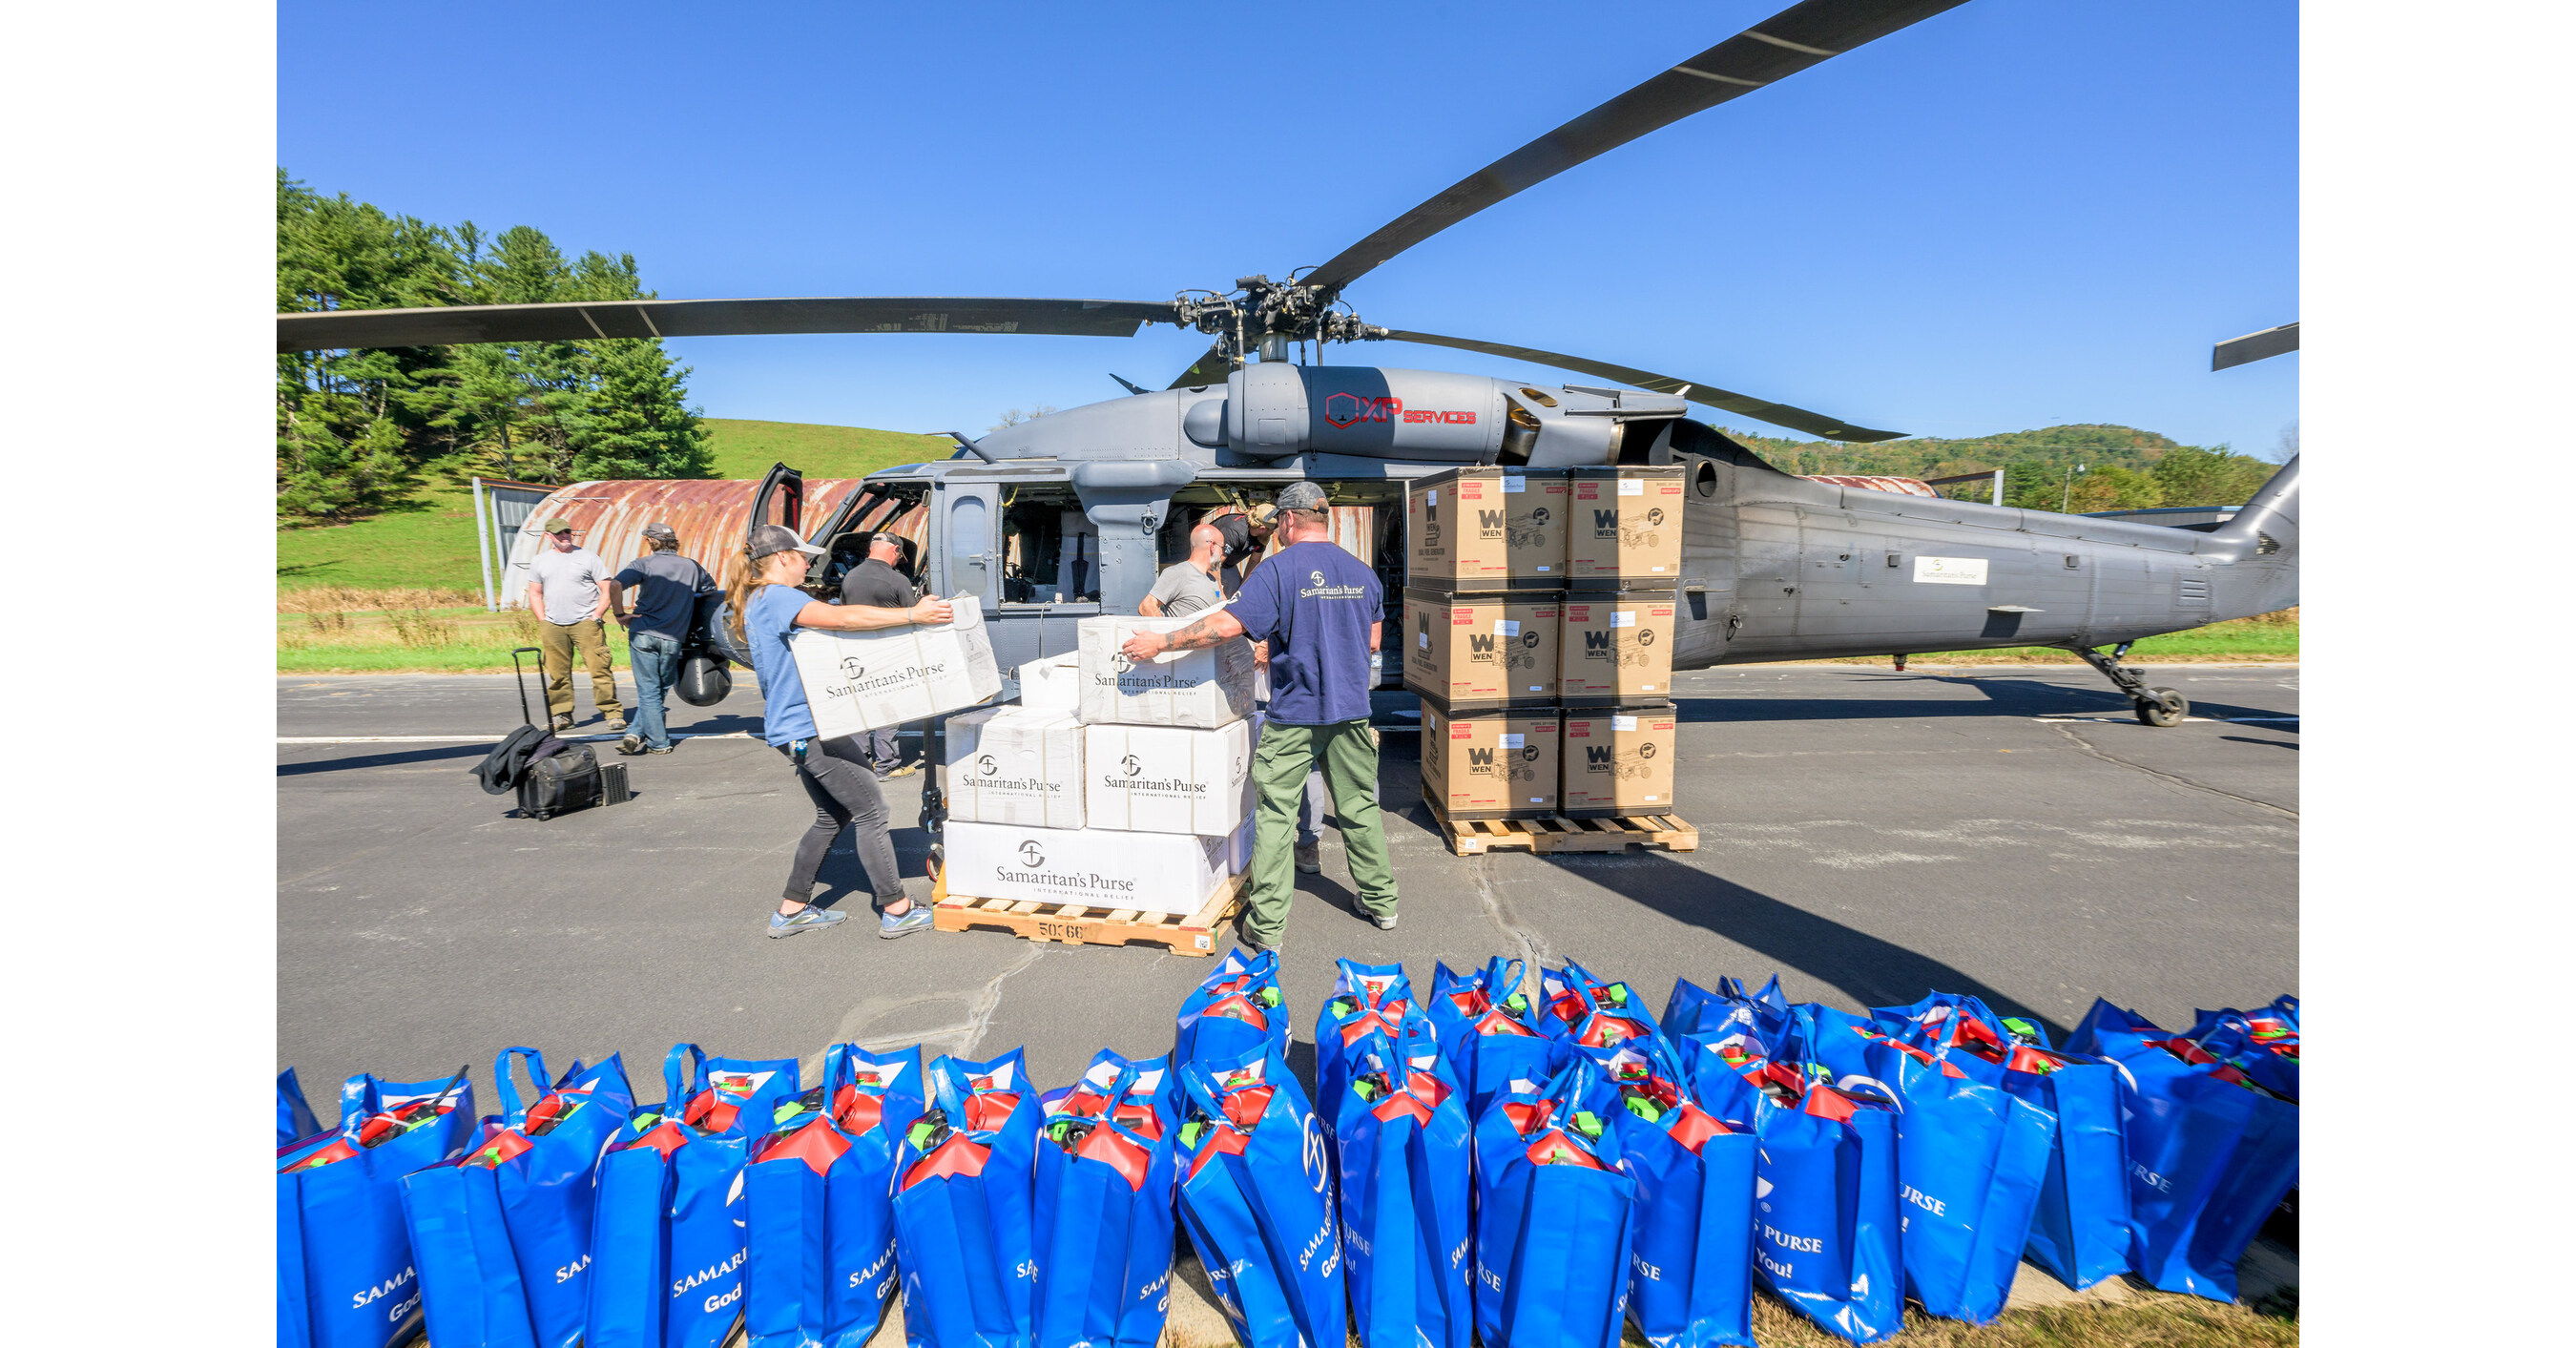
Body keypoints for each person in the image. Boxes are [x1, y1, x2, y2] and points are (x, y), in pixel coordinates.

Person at [1121, 482, 1394, 948]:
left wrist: (1161, 642)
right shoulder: (1363, 573)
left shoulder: (1278, 571)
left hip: (1295, 716)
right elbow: (1372, 642)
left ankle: (1267, 928)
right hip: (1351, 713)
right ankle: (1381, 903)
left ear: (1288, 520)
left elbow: (1228, 624)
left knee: (1276, 816)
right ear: (1322, 519)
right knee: (1360, 808)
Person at [726, 524, 953, 940]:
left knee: (834, 815)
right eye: (802, 556)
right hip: (810, 728)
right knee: (873, 810)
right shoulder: (778, 596)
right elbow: (843, 618)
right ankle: (897, 909)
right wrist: (912, 614)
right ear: (781, 558)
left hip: (792, 728)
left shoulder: (759, 598)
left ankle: (792, 910)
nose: (809, 563)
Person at [609, 521, 713, 756]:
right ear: (674, 542)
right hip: (674, 636)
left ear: (650, 541)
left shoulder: (643, 564)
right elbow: (709, 590)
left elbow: (615, 584)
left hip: (643, 632)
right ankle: (634, 734)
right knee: (658, 690)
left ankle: (658, 743)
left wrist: (619, 614)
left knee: (648, 691)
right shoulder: (692, 566)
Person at [526, 517, 625, 734]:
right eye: (559, 533)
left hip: (586, 623)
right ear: (548, 536)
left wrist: (597, 614)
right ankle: (562, 715)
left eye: (567, 532)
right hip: (553, 624)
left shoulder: (588, 558)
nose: (564, 536)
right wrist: (542, 619)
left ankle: (612, 713)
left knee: (600, 668)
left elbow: (606, 588)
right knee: (557, 672)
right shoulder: (540, 561)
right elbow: (534, 592)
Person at [838, 532, 923, 778]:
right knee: (888, 709)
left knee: (862, 710)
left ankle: (860, 765)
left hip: (856, 658)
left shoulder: (850, 578)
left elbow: (844, 614)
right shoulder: (897, 581)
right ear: (895, 551)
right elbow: (914, 617)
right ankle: (887, 765)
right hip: (889, 657)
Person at [1139, 524, 1226, 617]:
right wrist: (1166, 630)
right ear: (1212, 546)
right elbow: (1146, 606)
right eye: (1222, 547)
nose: (1223, 553)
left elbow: (1224, 613)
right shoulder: (1177, 573)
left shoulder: (1212, 580)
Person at [1207, 501, 1280, 596]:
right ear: (1262, 529)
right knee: (1216, 597)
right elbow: (1214, 565)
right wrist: (1220, 594)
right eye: (1273, 529)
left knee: (1238, 594)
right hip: (1209, 562)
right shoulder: (1235, 532)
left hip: (1227, 564)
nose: (1273, 532)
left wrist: (1242, 589)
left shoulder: (1262, 536)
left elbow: (1254, 561)